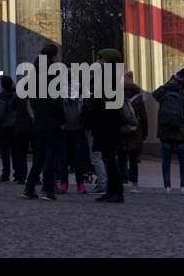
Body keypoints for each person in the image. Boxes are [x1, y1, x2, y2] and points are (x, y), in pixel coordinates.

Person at [24, 43, 65, 201]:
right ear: (53, 56)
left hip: (39, 118)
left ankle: (29, 187)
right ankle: (48, 189)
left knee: (40, 155)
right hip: (51, 119)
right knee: (51, 155)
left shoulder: (34, 72)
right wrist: (61, 118)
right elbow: (56, 99)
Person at [153, 68, 184, 195]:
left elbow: (155, 94)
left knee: (166, 160)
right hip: (181, 132)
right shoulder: (183, 92)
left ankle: (167, 186)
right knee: (183, 161)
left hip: (165, 131)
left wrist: (169, 83)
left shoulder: (164, 91)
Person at [87, 68, 125, 203]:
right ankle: (111, 191)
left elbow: (102, 106)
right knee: (108, 159)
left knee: (110, 160)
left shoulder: (107, 88)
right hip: (104, 127)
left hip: (106, 127)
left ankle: (116, 191)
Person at [0, 75, 20, 183]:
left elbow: (0, 113)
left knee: (5, 152)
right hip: (15, 125)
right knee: (15, 151)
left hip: (5, 127)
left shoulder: (3, 96)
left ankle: (5, 174)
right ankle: (18, 173)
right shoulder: (16, 94)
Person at [120, 71, 147, 191]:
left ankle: (122, 181)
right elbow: (144, 117)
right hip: (136, 132)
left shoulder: (117, 95)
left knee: (121, 158)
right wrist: (144, 133)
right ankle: (134, 184)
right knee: (133, 159)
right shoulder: (138, 97)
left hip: (121, 131)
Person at [59, 88, 88, 193]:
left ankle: (80, 183)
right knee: (64, 159)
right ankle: (64, 183)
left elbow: (84, 113)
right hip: (65, 131)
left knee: (78, 159)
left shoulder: (81, 100)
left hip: (77, 131)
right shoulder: (62, 99)